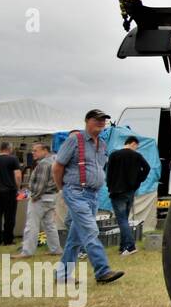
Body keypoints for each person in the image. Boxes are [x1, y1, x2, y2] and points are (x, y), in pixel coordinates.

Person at [51, 110, 124, 285]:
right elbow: (57, 167)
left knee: (76, 238)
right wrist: (64, 189)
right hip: (76, 192)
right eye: (97, 119)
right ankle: (102, 271)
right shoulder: (74, 140)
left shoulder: (103, 144)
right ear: (87, 121)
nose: (101, 122)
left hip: (93, 194)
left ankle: (62, 275)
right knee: (91, 230)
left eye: (103, 120)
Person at [105, 135, 151, 255]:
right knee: (124, 219)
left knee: (122, 220)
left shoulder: (114, 155)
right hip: (130, 191)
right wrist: (138, 180)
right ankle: (123, 246)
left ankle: (130, 246)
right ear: (133, 144)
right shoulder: (136, 156)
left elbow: (108, 172)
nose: (136, 149)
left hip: (116, 191)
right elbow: (147, 168)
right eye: (137, 146)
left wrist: (109, 186)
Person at [17, 142, 62, 258]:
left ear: (45, 150)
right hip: (51, 197)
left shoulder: (44, 163)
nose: (33, 153)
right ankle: (56, 249)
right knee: (50, 225)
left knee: (31, 225)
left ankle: (27, 252)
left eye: (35, 150)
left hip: (41, 197)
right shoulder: (54, 160)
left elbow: (40, 184)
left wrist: (34, 196)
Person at [0, 141, 23, 247]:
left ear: (0, 148)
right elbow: (17, 175)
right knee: (9, 217)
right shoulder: (13, 159)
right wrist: (18, 187)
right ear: (9, 148)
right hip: (9, 192)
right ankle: (8, 240)